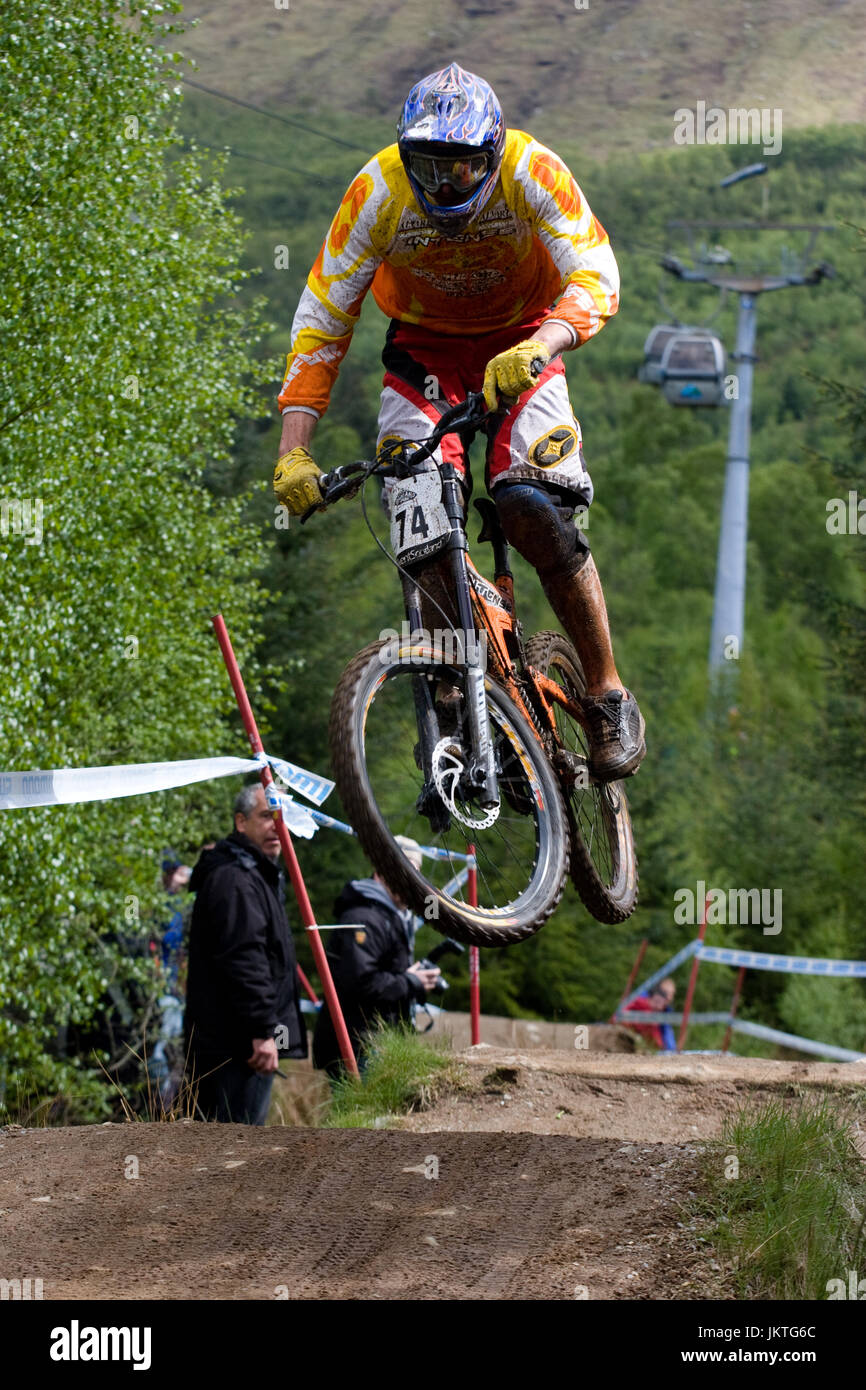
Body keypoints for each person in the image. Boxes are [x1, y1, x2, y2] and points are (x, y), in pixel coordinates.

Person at [273, 62, 644, 781]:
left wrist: (544, 344)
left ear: (493, 151)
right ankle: (454, 693)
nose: (444, 186)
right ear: (406, 159)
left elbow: (598, 274)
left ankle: (606, 691)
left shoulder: (531, 169)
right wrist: (295, 451)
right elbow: (323, 317)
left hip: (526, 338)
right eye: (429, 169)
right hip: (424, 351)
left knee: (531, 501)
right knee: (417, 518)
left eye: (463, 167)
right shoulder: (377, 191)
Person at [184, 784, 307, 1124]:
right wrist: (263, 1031)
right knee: (233, 1152)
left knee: (229, 1149)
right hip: (236, 1047)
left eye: (280, 817)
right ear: (241, 822)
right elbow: (245, 960)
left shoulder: (255, 873)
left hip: (237, 1041)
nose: (276, 826)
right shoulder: (235, 879)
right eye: (266, 817)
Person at [313, 837, 441, 1078]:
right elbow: (361, 983)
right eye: (407, 870)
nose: (414, 881)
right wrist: (410, 982)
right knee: (362, 1115)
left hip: (374, 1040)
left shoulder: (391, 915)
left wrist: (413, 981)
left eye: (418, 873)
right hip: (359, 1044)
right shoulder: (364, 917)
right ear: (383, 868)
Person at [623, 978, 677, 1051]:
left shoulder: (664, 1011)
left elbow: (663, 1037)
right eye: (666, 992)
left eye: (671, 994)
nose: (669, 997)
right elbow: (622, 1016)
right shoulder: (640, 1003)